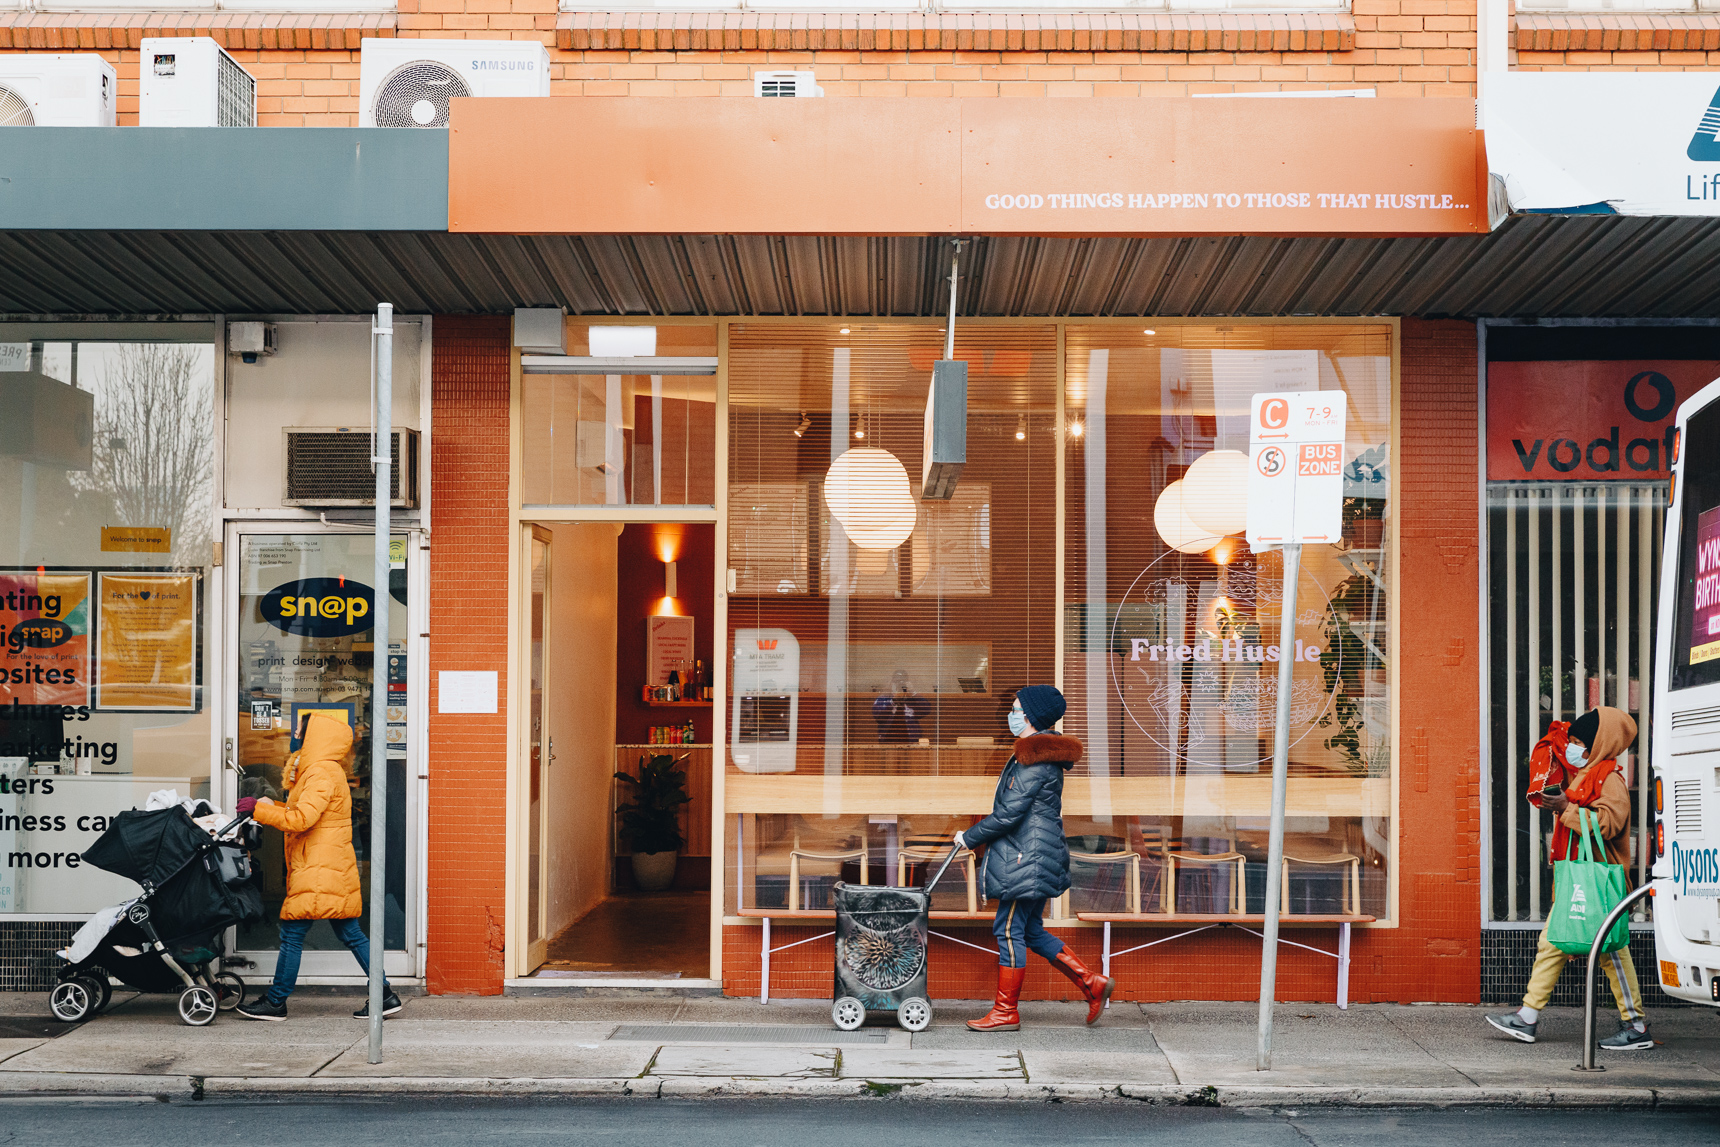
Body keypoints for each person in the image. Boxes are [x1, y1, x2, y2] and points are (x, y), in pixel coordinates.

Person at [1486, 706, 1649, 1051]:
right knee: (1553, 941)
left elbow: (1607, 825)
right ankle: (1527, 1017)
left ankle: (1635, 1027)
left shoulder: (1611, 780)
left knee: (1612, 952)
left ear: (1599, 744)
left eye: (1579, 743)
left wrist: (1564, 808)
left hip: (1599, 884)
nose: (1573, 748)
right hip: (1578, 880)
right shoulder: (1586, 774)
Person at [957, 684, 1113, 1031]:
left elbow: (1009, 815)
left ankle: (1005, 1012)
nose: (1010, 715)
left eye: (1015, 709)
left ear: (1029, 716)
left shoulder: (1033, 761)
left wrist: (967, 837)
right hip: (1039, 855)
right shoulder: (1040, 757)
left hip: (1024, 859)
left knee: (1008, 929)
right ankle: (1091, 983)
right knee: (1030, 929)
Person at [236, 709, 402, 1022]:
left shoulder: (321, 773)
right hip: (324, 864)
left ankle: (276, 1001)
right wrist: (271, 806)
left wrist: (259, 810)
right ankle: (384, 994)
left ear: (317, 736)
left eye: (303, 728)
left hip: (319, 866)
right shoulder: (321, 770)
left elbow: (302, 819)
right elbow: (304, 811)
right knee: (350, 933)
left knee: (293, 932)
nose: (296, 732)